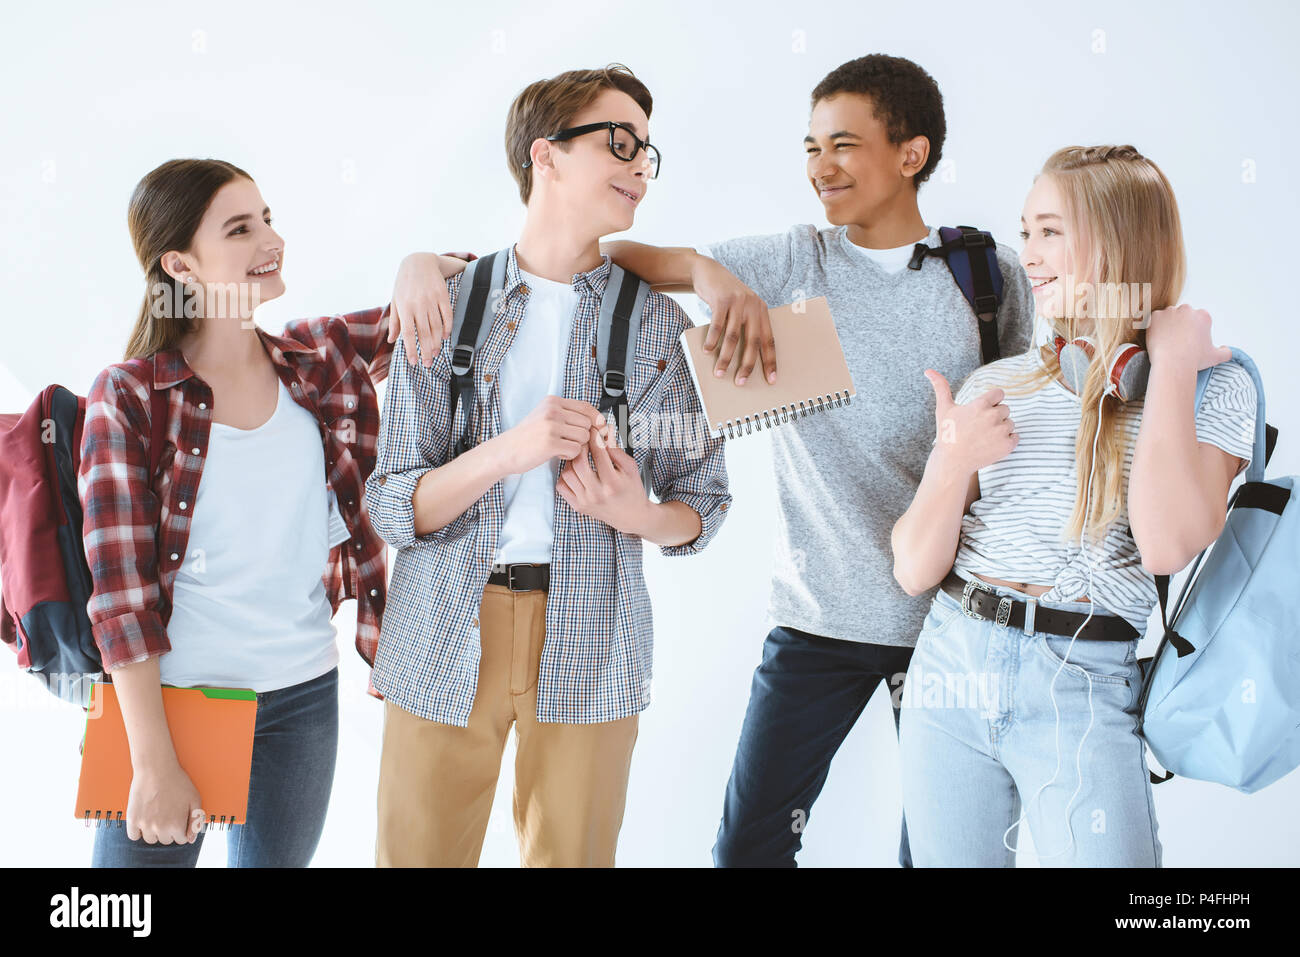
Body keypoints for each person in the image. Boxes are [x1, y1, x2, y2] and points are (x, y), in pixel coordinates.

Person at [363, 63, 731, 868]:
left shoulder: (658, 327)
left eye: (647, 150)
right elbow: (393, 504)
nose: (639, 165)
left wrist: (639, 515)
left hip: (594, 629)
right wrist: (509, 451)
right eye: (619, 141)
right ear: (547, 155)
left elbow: (704, 501)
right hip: (444, 629)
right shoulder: (444, 303)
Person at [891, 145, 1257, 867]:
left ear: (1119, 237)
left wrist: (1172, 364)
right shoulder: (997, 382)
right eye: (1025, 231)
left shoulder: (1214, 385)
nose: (1028, 254)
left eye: (1050, 231)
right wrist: (952, 461)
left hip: (1083, 680)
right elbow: (912, 567)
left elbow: (1165, 543)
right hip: (952, 661)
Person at [79, 157, 436, 866]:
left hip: (301, 698)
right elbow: (120, 600)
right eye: (241, 228)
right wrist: (152, 763)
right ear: (180, 265)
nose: (270, 239)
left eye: (268, 218)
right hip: (173, 706)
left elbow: (459, 291)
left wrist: (417, 261)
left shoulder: (317, 357)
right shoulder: (127, 396)